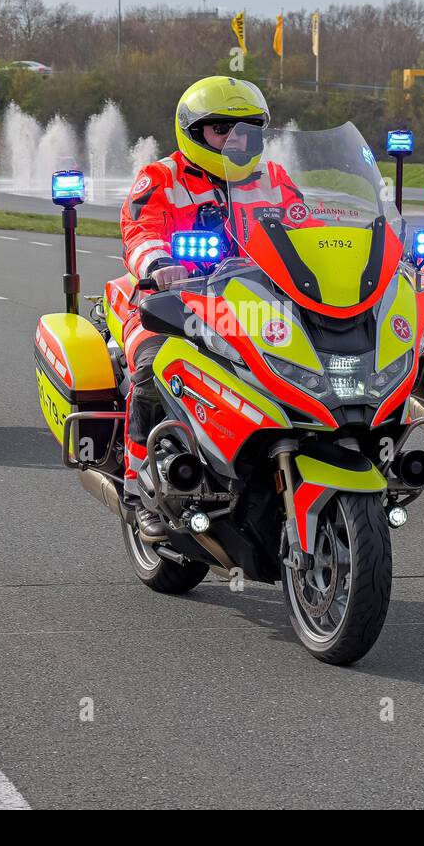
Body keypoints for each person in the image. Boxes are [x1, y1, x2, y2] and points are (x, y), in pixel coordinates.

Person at [118, 76, 303, 540]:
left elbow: (309, 231)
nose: (235, 139)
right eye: (222, 129)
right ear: (193, 131)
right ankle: (139, 486)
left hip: (258, 310)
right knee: (151, 370)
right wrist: (159, 263)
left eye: (246, 130)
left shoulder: (275, 180)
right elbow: (140, 230)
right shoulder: (162, 177)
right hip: (170, 307)